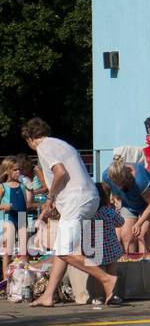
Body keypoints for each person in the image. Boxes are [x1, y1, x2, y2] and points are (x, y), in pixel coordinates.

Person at [23, 118, 118, 308]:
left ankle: (106, 278)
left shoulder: (44, 147)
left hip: (77, 199)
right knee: (61, 249)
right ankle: (48, 295)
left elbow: (60, 173)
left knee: (66, 251)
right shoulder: (62, 144)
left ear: (30, 138)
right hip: (88, 197)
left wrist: (49, 199)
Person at [104, 156, 150, 257]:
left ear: (127, 175)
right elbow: (114, 193)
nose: (120, 187)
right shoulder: (106, 176)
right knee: (126, 236)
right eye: (117, 184)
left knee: (142, 235)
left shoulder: (139, 180)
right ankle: (131, 263)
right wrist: (117, 202)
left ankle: (145, 265)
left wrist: (139, 223)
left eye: (122, 184)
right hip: (129, 203)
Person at [85, 183, 125, 303]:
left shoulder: (90, 212)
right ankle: (111, 294)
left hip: (95, 248)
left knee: (98, 274)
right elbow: (121, 222)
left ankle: (98, 297)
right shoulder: (109, 211)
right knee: (112, 272)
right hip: (111, 248)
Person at [19, 156, 53, 254]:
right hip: (30, 198)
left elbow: (46, 187)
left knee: (32, 207)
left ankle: (40, 243)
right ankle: (25, 244)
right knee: (21, 206)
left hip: (41, 197)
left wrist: (32, 192)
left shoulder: (36, 170)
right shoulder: (22, 176)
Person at [1, 157, 28, 277]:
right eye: (15, 170)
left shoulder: (23, 185)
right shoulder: (3, 186)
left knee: (24, 251)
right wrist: (4, 206)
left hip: (22, 217)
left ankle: (25, 279)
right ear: (7, 171)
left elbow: (28, 203)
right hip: (9, 218)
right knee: (8, 251)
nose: (19, 172)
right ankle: (6, 281)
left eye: (19, 169)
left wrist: (31, 187)